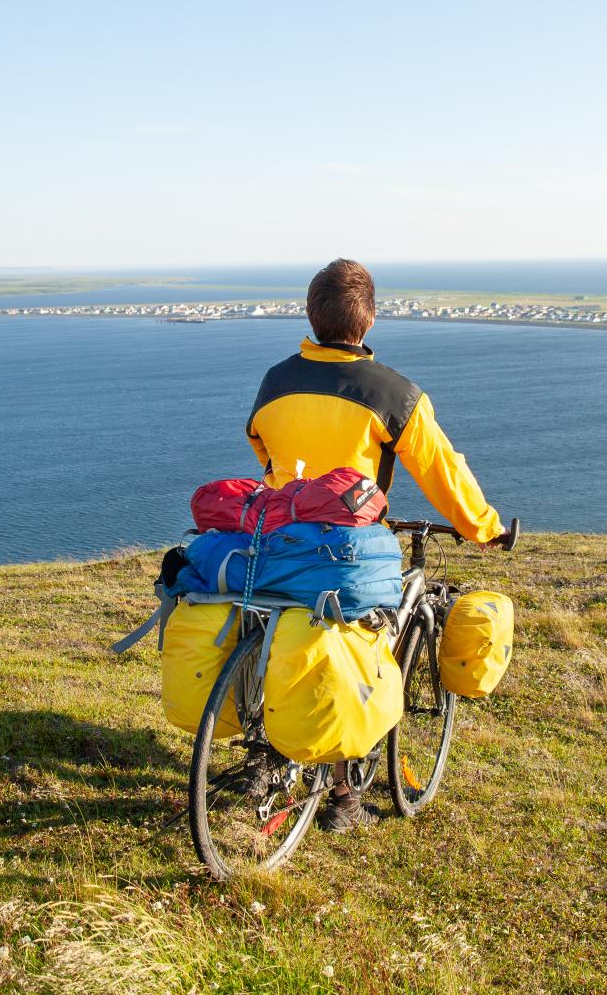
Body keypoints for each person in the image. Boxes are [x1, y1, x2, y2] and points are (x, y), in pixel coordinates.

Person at [246, 257, 506, 831]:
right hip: (351, 549)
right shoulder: (394, 393)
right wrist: (484, 527)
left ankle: (263, 750)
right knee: (365, 653)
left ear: (311, 315)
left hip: (276, 539)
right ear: (368, 322)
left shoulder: (274, 382)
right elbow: (443, 473)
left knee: (277, 631)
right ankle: (345, 800)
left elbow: (264, 450)